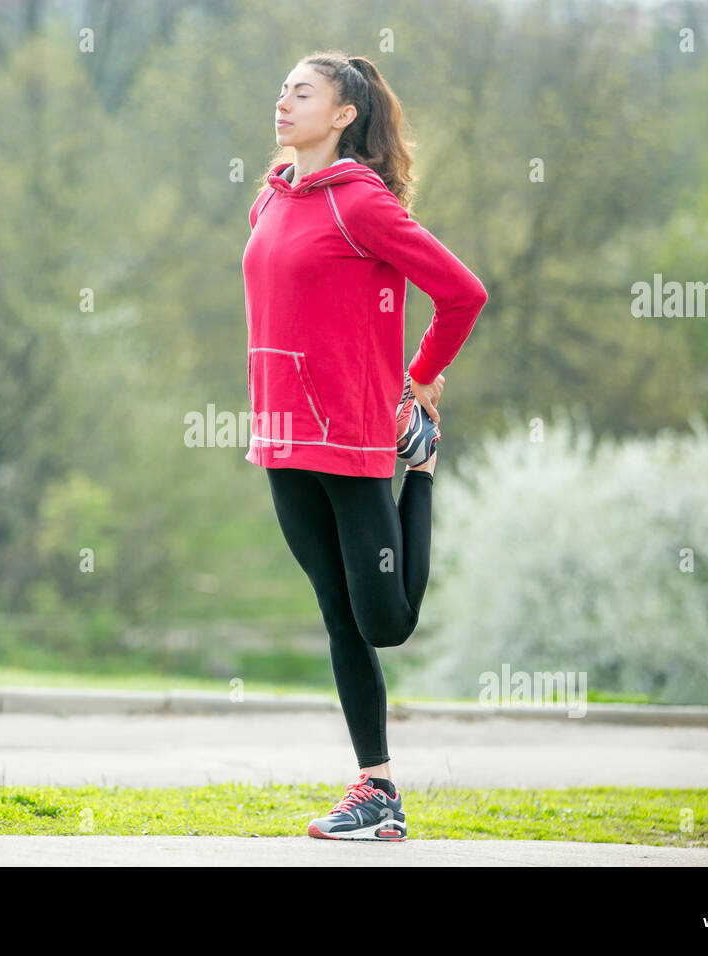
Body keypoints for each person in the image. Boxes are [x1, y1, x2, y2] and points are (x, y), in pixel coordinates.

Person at [242, 50, 488, 840]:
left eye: (301, 92)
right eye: (282, 89)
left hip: (352, 436)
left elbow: (462, 292)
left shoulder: (363, 203)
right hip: (282, 439)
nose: (284, 101)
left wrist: (419, 380)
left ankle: (426, 465)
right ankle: (375, 792)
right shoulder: (270, 200)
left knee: (383, 621)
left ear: (344, 114)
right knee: (339, 618)